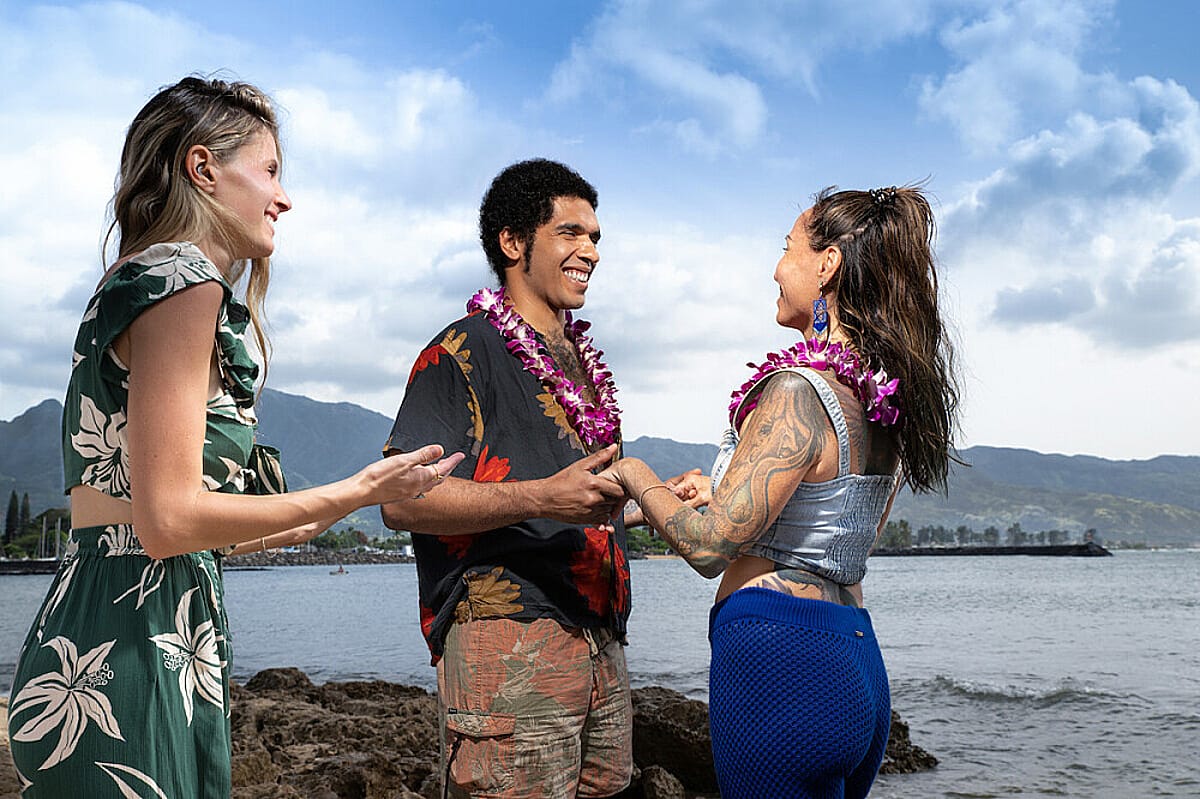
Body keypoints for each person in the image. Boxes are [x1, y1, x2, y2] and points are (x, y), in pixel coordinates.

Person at [6, 76, 462, 799]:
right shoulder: (181, 279)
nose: (284, 198)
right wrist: (358, 488)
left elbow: (175, 526)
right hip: (133, 639)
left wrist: (349, 502)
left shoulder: (143, 278)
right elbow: (167, 522)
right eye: (271, 171)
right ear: (203, 168)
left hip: (118, 615)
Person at [601, 186, 959, 799]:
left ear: (827, 264)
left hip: (781, 663)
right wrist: (722, 489)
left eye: (787, 247)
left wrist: (633, 472)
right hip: (854, 662)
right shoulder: (882, 405)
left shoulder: (798, 392)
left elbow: (709, 549)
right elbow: (836, 529)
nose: (775, 267)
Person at [382, 159, 647, 798]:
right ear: (512, 243)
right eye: (570, 233)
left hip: (602, 643)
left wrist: (654, 503)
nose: (590, 251)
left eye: (595, 237)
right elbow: (400, 499)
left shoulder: (582, 363)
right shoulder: (459, 352)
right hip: (509, 644)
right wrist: (543, 496)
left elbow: (575, 507)